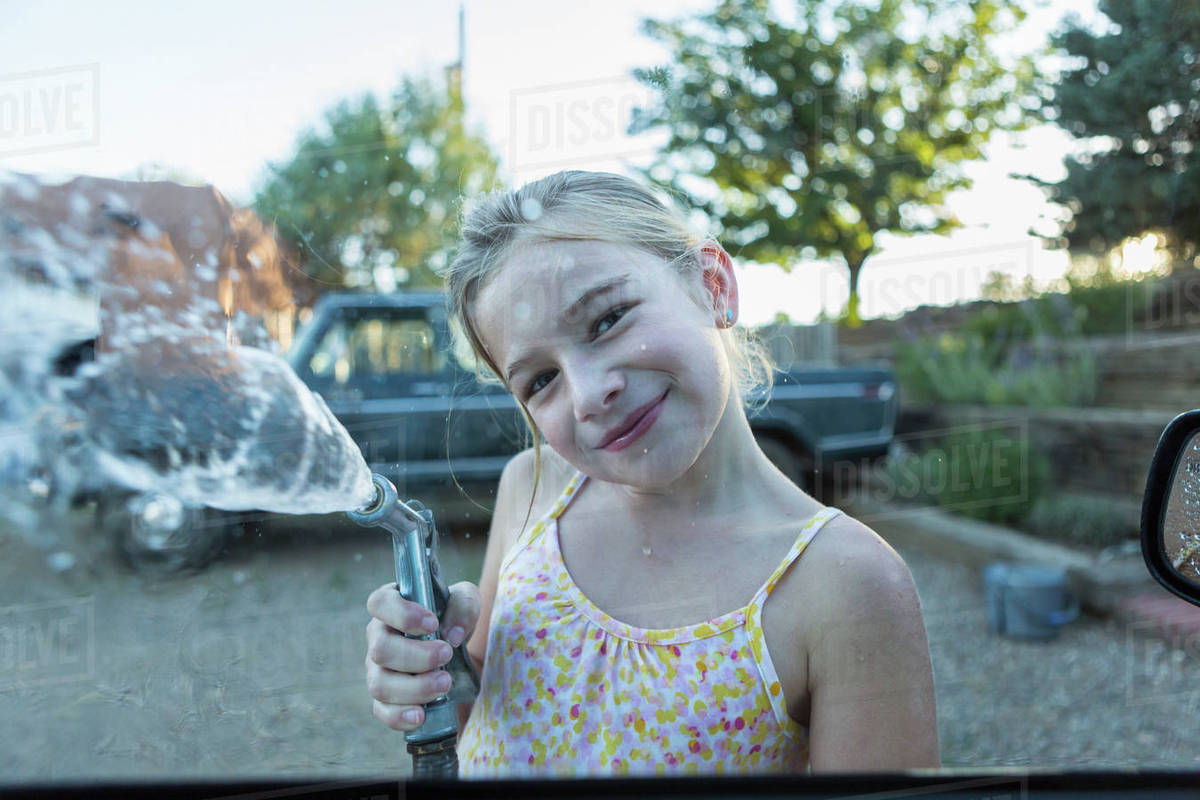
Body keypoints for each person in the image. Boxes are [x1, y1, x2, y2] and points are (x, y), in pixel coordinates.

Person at [364, 170, 938, 777]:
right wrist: (429, 675)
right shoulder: (530, 487)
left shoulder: (848, 584)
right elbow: (477, 708)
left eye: (608, 319)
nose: (587, 395)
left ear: (712, 286)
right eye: (540, 380)